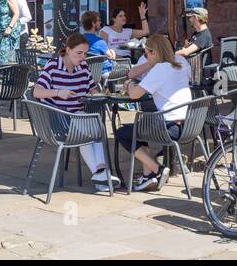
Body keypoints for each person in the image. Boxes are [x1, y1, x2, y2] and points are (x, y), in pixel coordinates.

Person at [33, 32, 119, 190]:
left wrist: (100, 95)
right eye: (79, 53)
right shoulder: (53, 65)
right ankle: (101, 173)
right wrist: (58, 92)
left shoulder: (83, 66)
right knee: (91, 125)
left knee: (95, 125)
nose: (82, 57)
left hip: (77, 117)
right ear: (67, 50)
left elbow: (92, 88)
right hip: (58, 119)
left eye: (85, 53)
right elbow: (36, 92)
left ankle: (100, 174)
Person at [116, 34, 193, 192]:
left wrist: (130, 84)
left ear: (154, 53)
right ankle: (148, 176)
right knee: (139, 127)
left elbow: (134, 95)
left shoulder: (161, 69)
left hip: (168, 127)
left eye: (147, 53)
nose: (146, 56)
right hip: (189, 125)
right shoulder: (182, 62)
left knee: (122, 133)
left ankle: (156, 169)